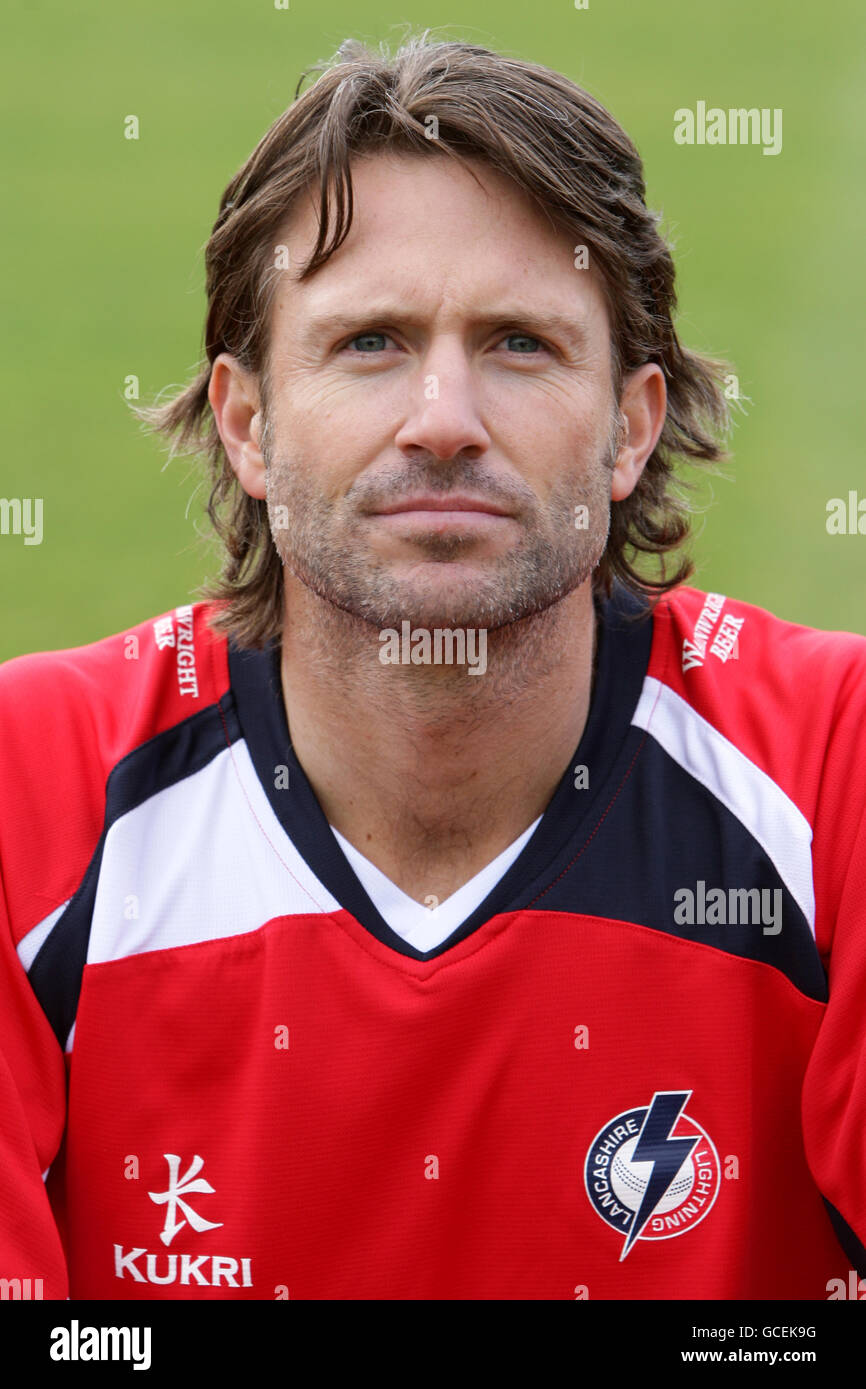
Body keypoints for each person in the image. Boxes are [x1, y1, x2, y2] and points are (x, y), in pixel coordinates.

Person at [1, 32, 863, 1302]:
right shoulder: (37, 791)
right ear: (248, 423)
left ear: (630, 426)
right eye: (369, 343)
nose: (443, 419)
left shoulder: (829, 769)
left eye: (518, 342)